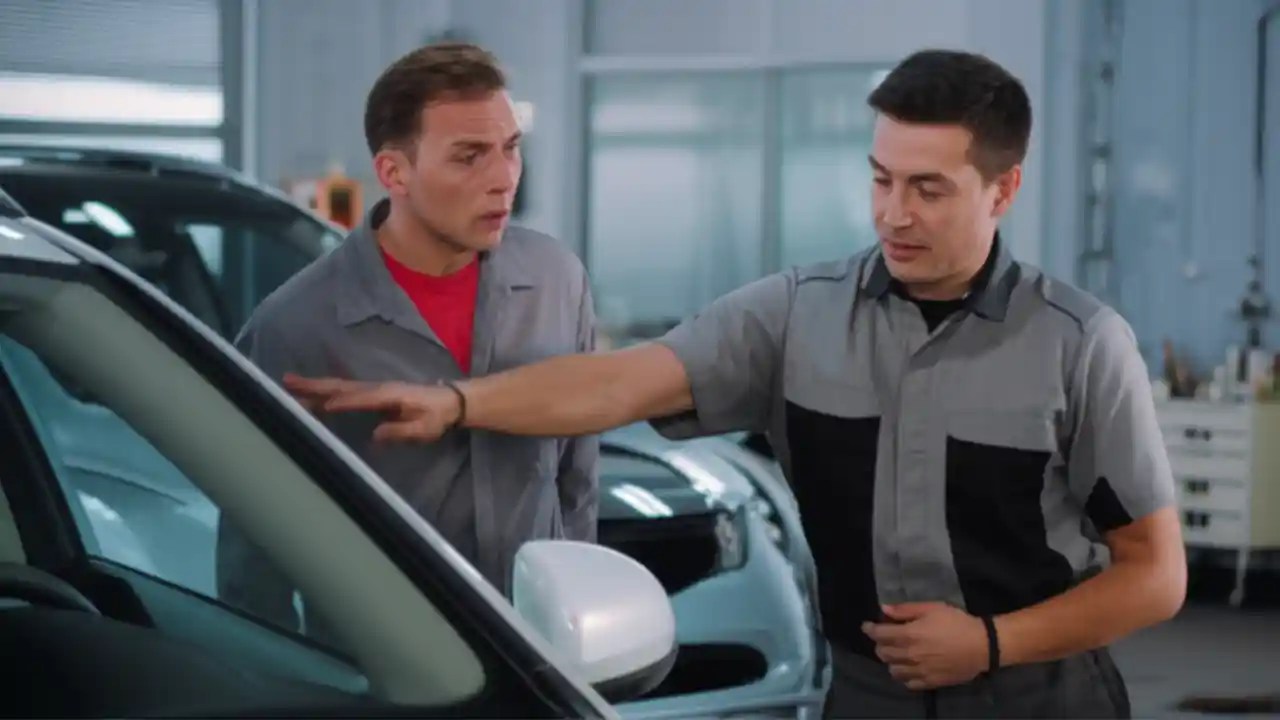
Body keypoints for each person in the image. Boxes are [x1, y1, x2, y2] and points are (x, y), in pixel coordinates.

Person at [285, 49, 1187, 718]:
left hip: (1043, 697)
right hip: (864, 698)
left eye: (928, 189)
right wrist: (458, 403)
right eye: (879, 180)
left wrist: (992, 641)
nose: (892, 214)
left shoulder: (1081, 345)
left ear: (1003, 190)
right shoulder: (796, 316)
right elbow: (613, 387)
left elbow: (1156, 576)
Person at [217, 42, 600, 632]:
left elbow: (577, 486)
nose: (503, 180)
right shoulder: (294, 328)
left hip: (541, 661)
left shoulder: (557, 281)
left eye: (510, 149)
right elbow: (256, 560)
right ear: (394, 173)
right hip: (388, 677)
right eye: (469, 156)